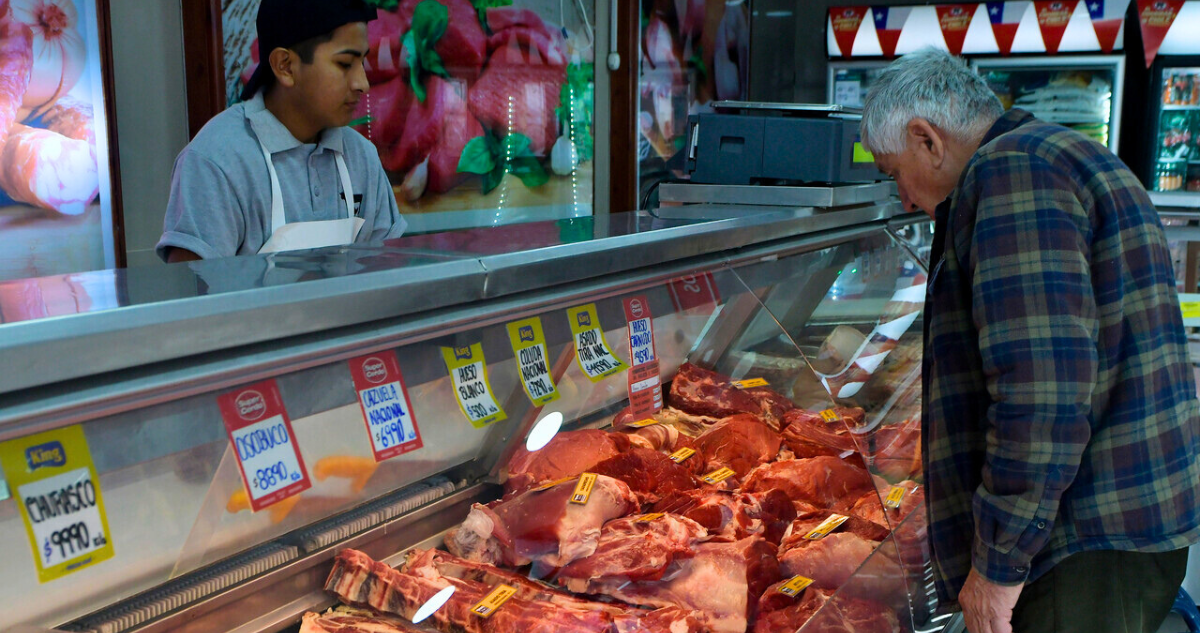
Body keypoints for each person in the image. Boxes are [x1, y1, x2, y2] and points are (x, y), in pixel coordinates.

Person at [861, 48, 1200, 633]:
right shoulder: (1063, 151)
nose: (905, 198)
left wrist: (997, 566)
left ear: (927, 139)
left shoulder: (1012, 171)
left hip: (1079, 544)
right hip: (1121, 519)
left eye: (895, 173)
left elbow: (1041, 391)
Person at [156, 0, 405, 262]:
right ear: (284, 66)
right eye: (344, 64)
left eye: (363, 62)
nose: (362, 83)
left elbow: (387, 274)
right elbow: (194, 295)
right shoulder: (215, 163)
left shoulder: (361, 157)